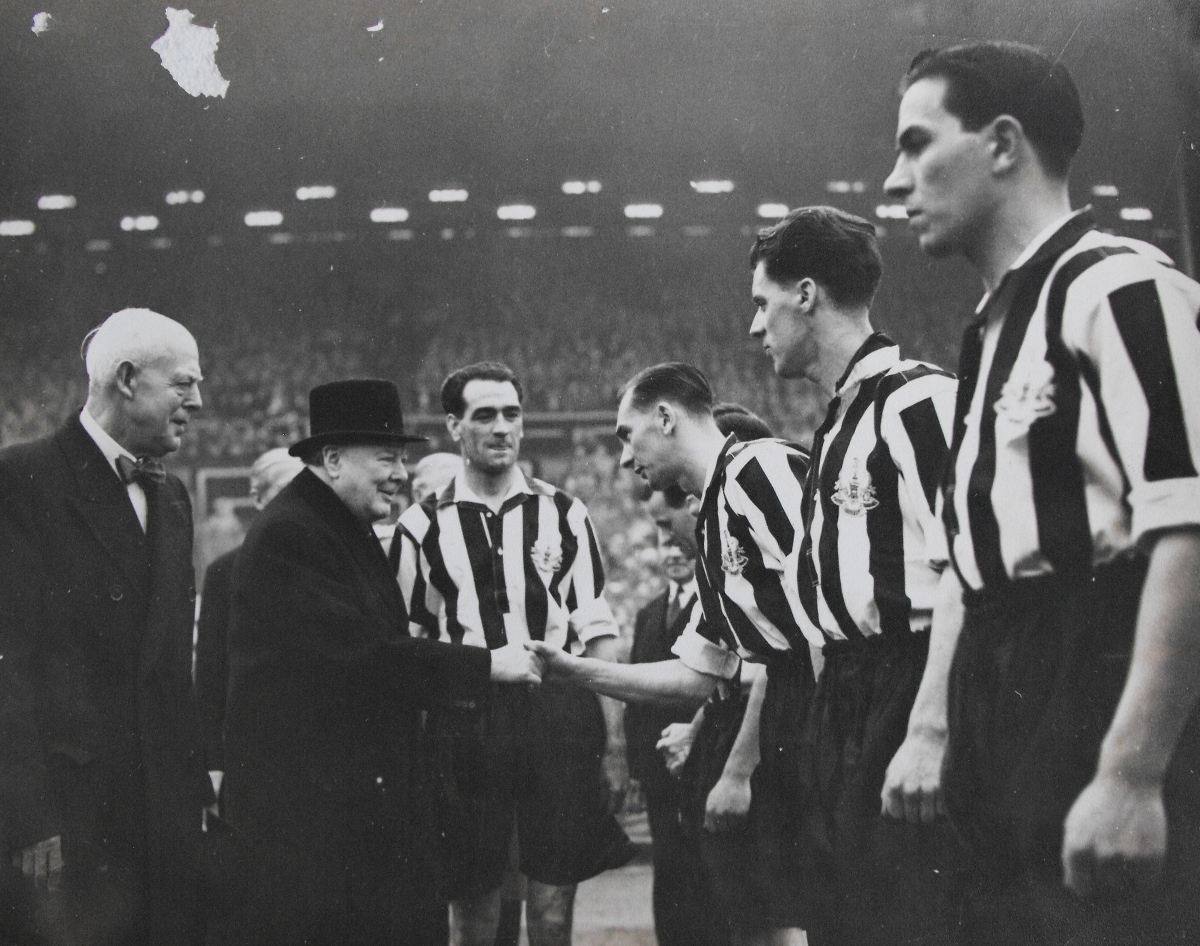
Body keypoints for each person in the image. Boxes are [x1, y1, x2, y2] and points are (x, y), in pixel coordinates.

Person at [882, 40, 1200, 945]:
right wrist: (938, 727)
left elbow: (1191, 522)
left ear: (1004, 143)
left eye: (915, 144)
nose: (894, 181)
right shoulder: (988, 335)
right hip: (1002, 687)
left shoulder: (1121, 288)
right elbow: (972, 565)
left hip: (1092, 675)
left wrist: (1133, 774)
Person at [221, 379, 544, 946]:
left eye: (403, 458)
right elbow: (362, 658)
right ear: (333, 458)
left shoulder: (336, 526)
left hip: (348, 817)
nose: (400, 473)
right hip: (314, 831)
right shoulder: (292, 534)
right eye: (387, 458)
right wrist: (489, 664)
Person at [529, 363, 820, 946]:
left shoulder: (762, 469)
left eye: (625, 434)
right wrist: (573, 668)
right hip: (797, 728)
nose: (623, 459)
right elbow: (697, 672)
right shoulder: (713, 521)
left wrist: (740, 767)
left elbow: (817, 627)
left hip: (829, 719)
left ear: (664, 418)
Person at [748, 205, 959, 944]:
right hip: (842, 693)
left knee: (910, 918)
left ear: (805, 294)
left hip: (907, 682)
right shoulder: (835, 423)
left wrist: (930, 729)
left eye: (761, 302)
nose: (754, 326)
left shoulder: (918, 399)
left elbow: (969, 567)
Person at [394, 362, 633, 946]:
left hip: (555, 715)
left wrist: (616, 744)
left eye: (511, 414)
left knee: (551, 908)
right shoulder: (420, 527)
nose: (501, 428)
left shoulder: (564, 513)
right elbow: (409, 647)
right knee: (474, 909)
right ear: (454, 426)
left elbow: (596, 630)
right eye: (484, 415)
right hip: (466, 721)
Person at [0, 308, 210, 946]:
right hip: (64, 822)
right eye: (183, 384)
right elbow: (9, 667)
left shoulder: (173, 498)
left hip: (159, 814)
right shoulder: (20, 481)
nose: (197, 402)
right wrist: (28, 818)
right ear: (126, 379)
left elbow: (172, 667)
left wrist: (192, 787)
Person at [629, 484, 729, 946]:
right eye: (663, 545)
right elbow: (635, 693)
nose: (672, 554)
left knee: (706, 868)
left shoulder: (712, 604)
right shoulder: (649, 613)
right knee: (667, 868)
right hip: (657, 764)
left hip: (703, 752)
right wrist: (636, 766)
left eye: (678, 545)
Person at [194, 447, 304, 811]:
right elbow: (211, 675)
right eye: (287, 490)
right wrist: (212, 763)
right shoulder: (224, 573)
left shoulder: (335, 564)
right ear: (256, 498)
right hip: (254, 753)